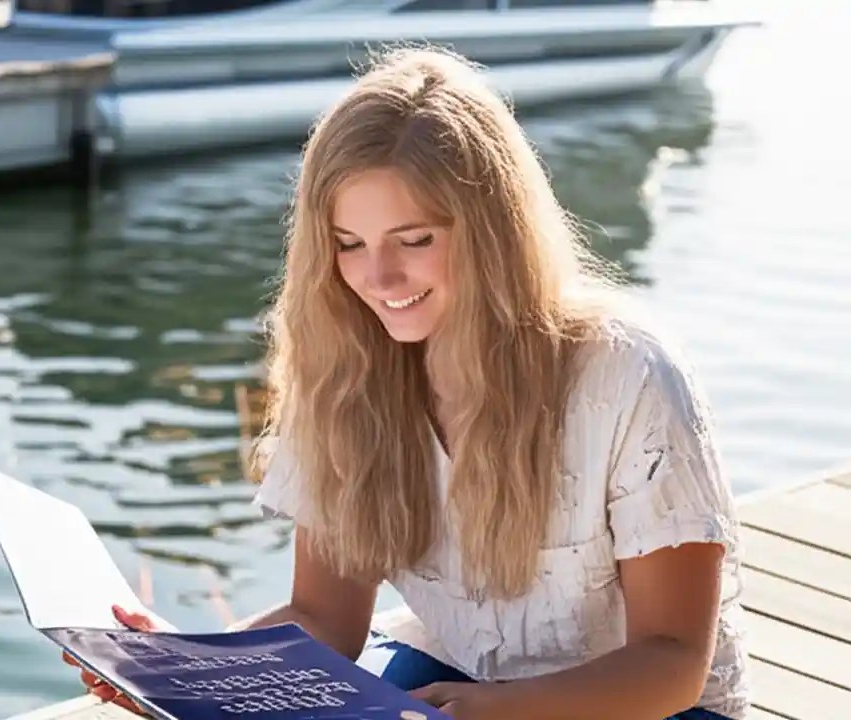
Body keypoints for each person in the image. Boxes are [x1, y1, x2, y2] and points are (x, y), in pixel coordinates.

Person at [69, 45, 749, 720]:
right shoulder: (344, 371)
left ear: (493, 233)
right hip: (448, 684)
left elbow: (671, 664)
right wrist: (182, 670)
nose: (380, 279)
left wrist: (491, 712)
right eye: (349, 244)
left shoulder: (627, 376)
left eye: (415, 240)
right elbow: (325, 616)